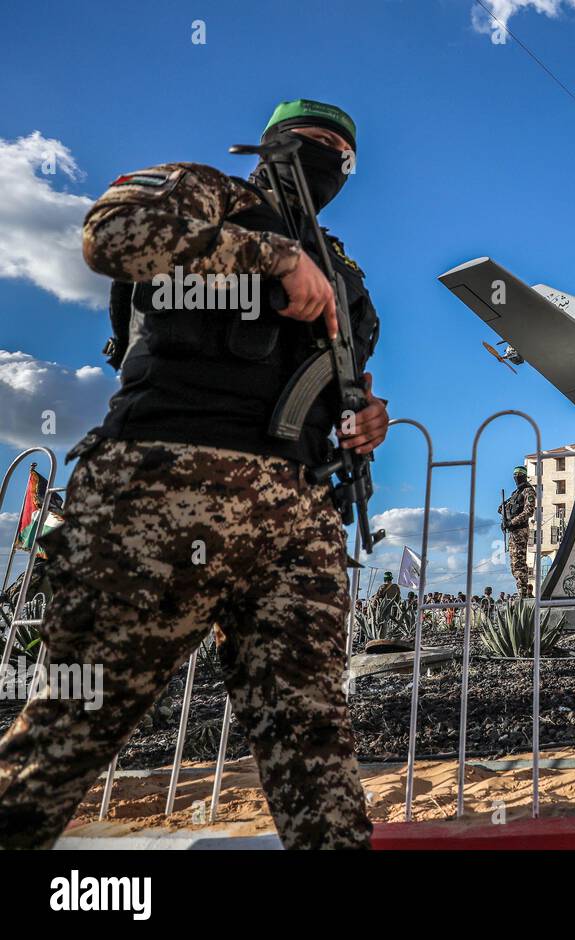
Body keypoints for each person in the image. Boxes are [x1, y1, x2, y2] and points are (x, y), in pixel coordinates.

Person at [0, 98, 387, 850]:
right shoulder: (210, 191)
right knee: (77, 721)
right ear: (268, 145)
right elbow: (110, 234)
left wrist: (364, 419)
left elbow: (342, 378)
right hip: (164, 489)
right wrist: (273, 257)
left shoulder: (344, 267)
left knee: (310, 733)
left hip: (300, 508)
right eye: (308, 142)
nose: (325, 159)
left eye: (341, 152)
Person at [499, 465, 537, 594]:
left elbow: (529, 511)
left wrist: (511, 522)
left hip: (520, 530)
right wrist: (504, 517)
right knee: (514, 565)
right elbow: (505, 509)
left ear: (524, 476)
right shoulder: (515, 494)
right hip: (513, 532)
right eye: (515, 475)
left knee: (519, 563)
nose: (516, 477)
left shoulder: (528, 491)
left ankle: (523, 592)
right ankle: (522, 590)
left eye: (519, 474)